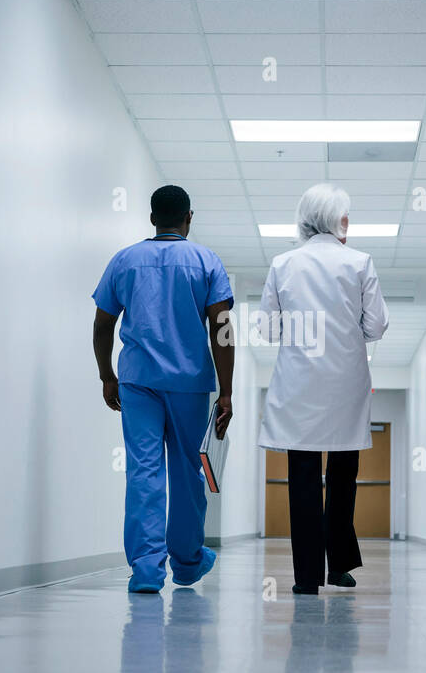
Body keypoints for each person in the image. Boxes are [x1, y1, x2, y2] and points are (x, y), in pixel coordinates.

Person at [91, 185, 234, 593]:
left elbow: (103, 324)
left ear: (152, 218)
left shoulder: (125, 261)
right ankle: (187, 563)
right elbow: (221, 329)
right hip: (189, 384)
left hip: (138, 383)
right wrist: (226, 391)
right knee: (188, 473)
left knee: (143, 471)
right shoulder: (206, 261)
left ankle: (147, 571)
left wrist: (107, 375)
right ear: (189, 217)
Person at [257, 184, 390, 595]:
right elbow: (376, 326)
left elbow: (266, 328)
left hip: (298, 384)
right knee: (343, 474)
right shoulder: (360, 262)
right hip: (346, 383)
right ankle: (340, 566)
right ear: (340, 221)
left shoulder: (282, 264)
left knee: (303, 476)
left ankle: (308, 576)